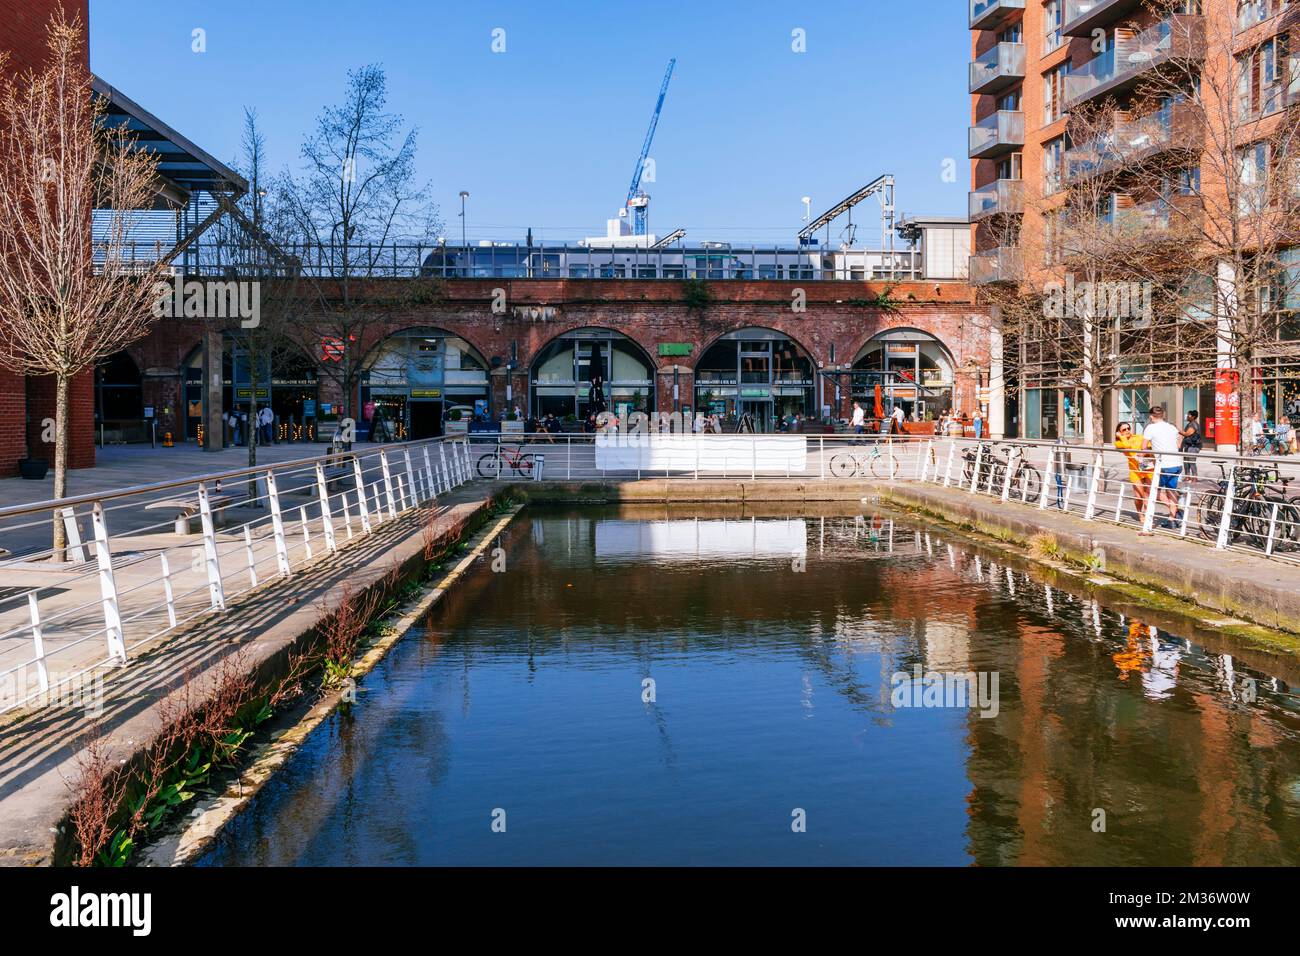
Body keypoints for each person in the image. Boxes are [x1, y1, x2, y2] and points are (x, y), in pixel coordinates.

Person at [1142, 405, 1183, 527]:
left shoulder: (1150, 428)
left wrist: (1151, 451)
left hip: (1163, 465)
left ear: (1151, 416)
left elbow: (1143, 447)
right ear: (1163, 415)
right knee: (1171, 491)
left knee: (1151, 491)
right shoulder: (1171, 427)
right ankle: (1172, 519)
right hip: (1177, 463)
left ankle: (1148, 523)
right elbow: (1178, 444)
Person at [1114, 422, 1151, 518]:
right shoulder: (1119, 442)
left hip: (1146, 465)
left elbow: (1149, 446)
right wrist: (1121, 437)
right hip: (1135, 470)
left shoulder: (1139, 437)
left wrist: (1145, 453)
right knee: (1139, 496)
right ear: (1119, 432)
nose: (1127, 431)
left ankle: (1147, 516)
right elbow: (1127, 446)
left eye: (1128, 428)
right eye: (1124, 430)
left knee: (1148, 494)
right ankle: (1140, 513)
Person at [1179, 409, 1202, 478]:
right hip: (1188, 446)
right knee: (1186, 462)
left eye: (1189, 415)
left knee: (1191, 462)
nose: (1187, 416)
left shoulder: (1193, 424)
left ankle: (1194, 477)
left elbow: (1187, 434)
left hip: (1193, 446)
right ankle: (1187, 476)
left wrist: (1177, 430)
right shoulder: (1190, 424)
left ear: (1193, 416)